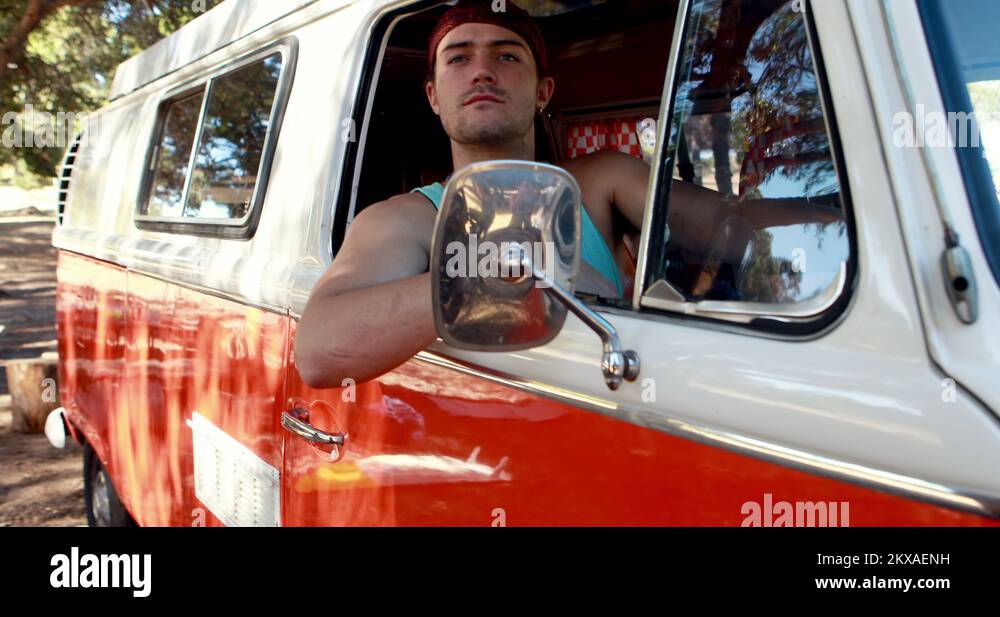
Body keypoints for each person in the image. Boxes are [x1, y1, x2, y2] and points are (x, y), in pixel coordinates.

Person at [295, 0, 779, 388]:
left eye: (506, 55)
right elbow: (319, 351)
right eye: (459, 57)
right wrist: (496, 270)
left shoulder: (600, 180)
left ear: (543, 92)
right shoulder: (406, 218)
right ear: (433, 96)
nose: (482, 71)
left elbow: (737, 230)